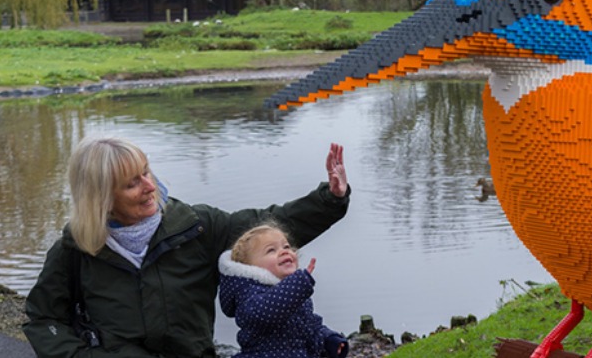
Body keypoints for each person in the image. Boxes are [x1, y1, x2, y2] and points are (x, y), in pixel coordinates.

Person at [23, 136, 350, 358]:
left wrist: (330, 199)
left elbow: (266, 227)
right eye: (132, 183)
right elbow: (43, 319)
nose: (150, 186)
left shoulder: (196, 227)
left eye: (146, 172)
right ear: (102, 199)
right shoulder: (75, 249)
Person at [218, 221, 348, 358]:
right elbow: (263, 314)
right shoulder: (248, 293)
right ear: (251, 268)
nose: (284, 251)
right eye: (271, 250)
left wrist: (328, 340)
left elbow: (309, 327)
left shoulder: (294, 290)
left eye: (286, 246)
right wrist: (296, 286)